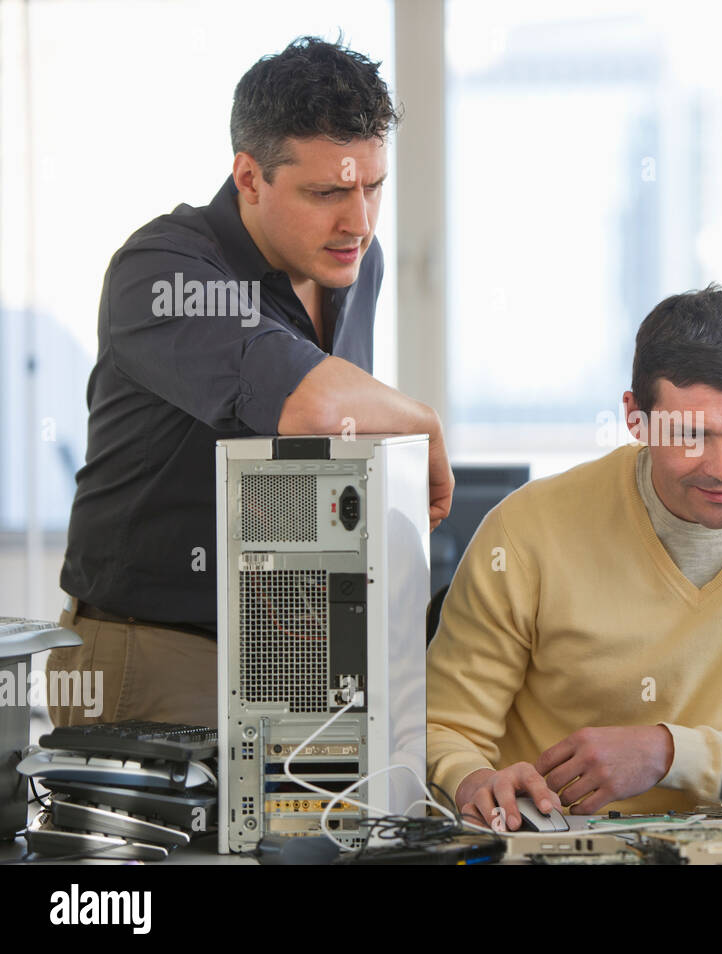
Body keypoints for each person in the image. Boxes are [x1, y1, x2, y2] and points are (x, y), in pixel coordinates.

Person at [50, 37, 453, 728]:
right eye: (326, 192)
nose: (357, 221)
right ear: (249, 178)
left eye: (373, 186)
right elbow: (314, 405)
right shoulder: (163, 273)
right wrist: (425, 424)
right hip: (153, 651)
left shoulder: (356, 262)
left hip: (295, 650)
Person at [425, 286, 722, 829]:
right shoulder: (526, 529)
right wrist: (473, 780)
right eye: (690, 434)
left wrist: (671, 755)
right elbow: (444, 728)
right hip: (574, 844)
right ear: (635, 417)